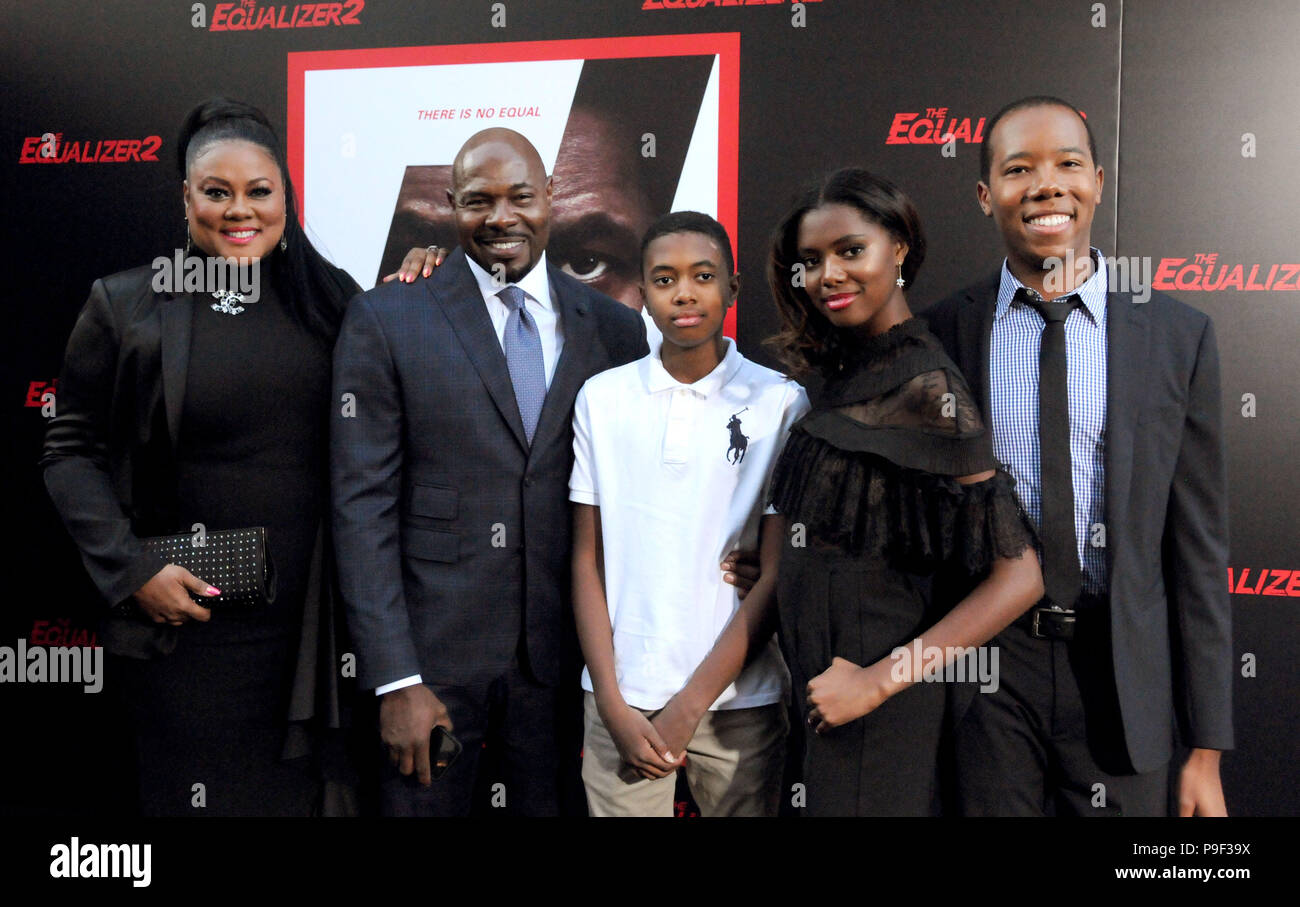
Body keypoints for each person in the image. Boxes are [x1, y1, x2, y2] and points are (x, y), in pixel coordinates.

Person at [40, 98, 362, 816]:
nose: (239, 209)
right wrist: (133, 570)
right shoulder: (127, 305)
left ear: (286, 195)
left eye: (259, 191)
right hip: (189, 639)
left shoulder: (333, 301)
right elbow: (69, 450)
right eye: (217, 192)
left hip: (318, 640)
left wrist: (422, 274)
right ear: (187, 198)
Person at [330, 127, 654, 816]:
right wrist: (395, 679)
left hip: (565, 670)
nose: (501, 216)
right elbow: (362, 510)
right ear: (451, 205)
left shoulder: (616, 329)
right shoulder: (387, 317)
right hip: (432, 671)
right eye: (479, 200)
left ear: (551, 199)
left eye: (521, 196)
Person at [922, 96, 1233, 816]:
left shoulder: (1176, 334)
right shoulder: (941, 334)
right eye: (1018, 168)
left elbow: (1199, 551)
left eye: (1066, 164)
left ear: (1097, 179)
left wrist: (1207, 751)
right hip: (991, 674)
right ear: (984, 193)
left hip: (1124, 677)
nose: (1046, 185)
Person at [765, 168, 1044, 816]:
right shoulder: (848, 369)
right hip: (820, 706)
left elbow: (1020, 573)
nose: (828, 274)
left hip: (874, 714)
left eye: (849, 251)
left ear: (899, 249)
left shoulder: (927, 384)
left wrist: (873, 683)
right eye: (811, 260)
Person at [570, 212, 810, 816]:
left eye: (703, 275)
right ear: (642, 296)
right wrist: (611, 702)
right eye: (664, 278)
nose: (684, 292)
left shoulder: (781, 403)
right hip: (621, 705)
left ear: (732, 288)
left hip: (740, 707)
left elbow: (779, 572)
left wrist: (689, 705)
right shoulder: (602, 399)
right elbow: (585, 561)